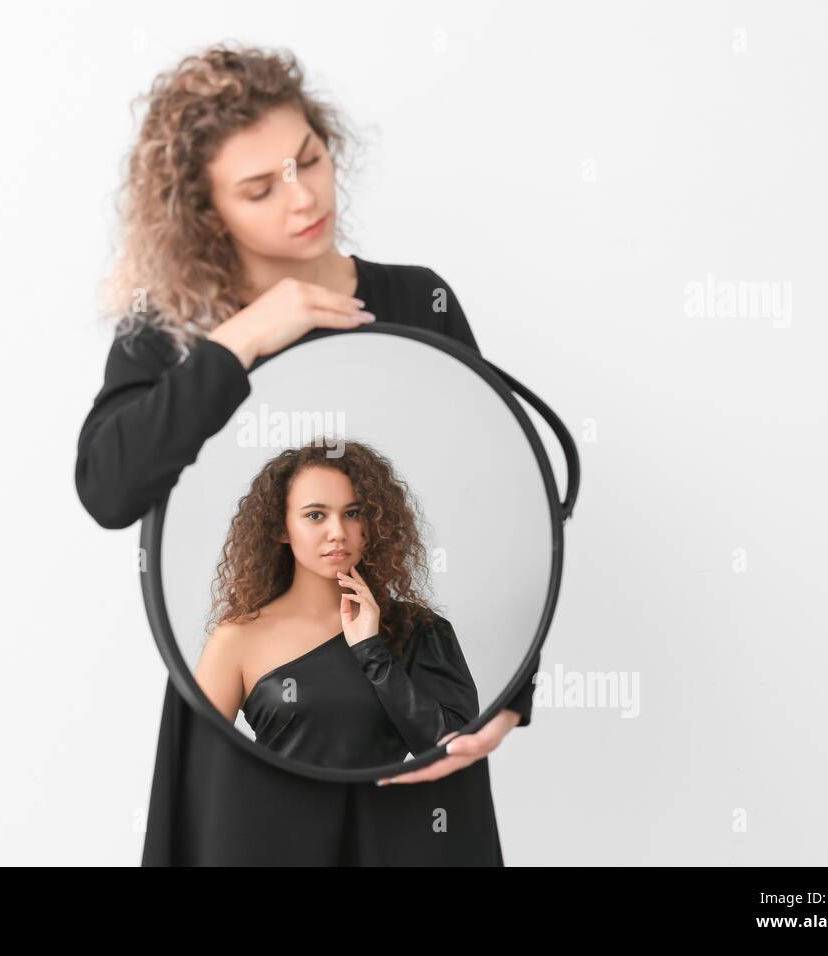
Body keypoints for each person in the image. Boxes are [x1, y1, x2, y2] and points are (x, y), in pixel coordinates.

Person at [76, 42, 541, 865]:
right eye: (259, 188)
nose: (303, 198)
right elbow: (109, 487)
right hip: (252, 765)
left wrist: (509, 701)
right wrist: (242, 336)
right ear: (205, 211)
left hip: (417, 757)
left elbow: (520, 495)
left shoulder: (416, 299)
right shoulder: (173, 331)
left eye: (310, 160)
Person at [197, 440, 481, 770]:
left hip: (386, 821)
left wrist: (372, 653)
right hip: (275, 820)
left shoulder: (421, 631)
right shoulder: (237, 638)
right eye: (315, 515)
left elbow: (456, 751)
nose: (337, 532)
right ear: (280, 528)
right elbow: (199, 769)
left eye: (353, 513)